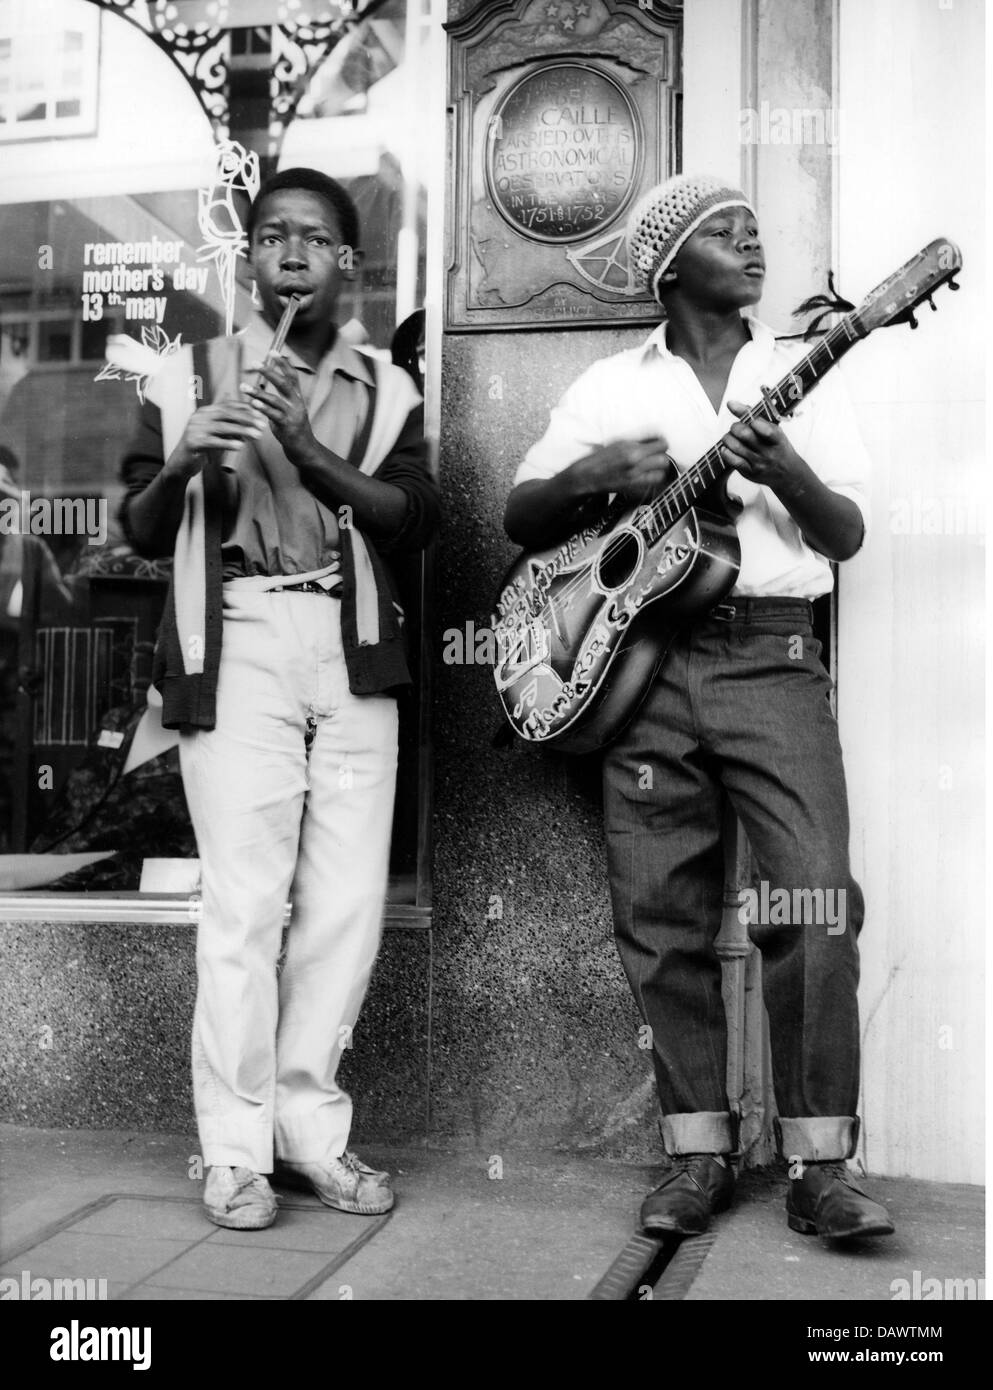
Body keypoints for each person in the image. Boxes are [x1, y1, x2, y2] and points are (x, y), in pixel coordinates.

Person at [504, 173, 893, 1242]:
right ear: (671, 268)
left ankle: (821, 1168)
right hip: (640, 669)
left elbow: (846, 532)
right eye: (725, 230)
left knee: (814, 899)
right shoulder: (605, 387)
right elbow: (518, 514)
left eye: (753, 224)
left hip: (771, 659)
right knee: (658, 915)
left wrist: (789, 468)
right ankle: (698, 1154)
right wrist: (593, 472)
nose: (751, 238)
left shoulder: (795, 374)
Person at [120, 167, 438, 1230]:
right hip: (243, 638)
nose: (292, 253)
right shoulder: (191, 371)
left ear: (350, 264)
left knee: (344, 910)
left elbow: (414, 518)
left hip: (349, 644)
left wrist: (305, 450)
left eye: (315, 239)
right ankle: (233, 1151)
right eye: (271, 237)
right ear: (249, 261)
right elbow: (137, 529)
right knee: (245, 906)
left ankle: (313, 1135)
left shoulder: (388, 388)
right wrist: (184, 460)